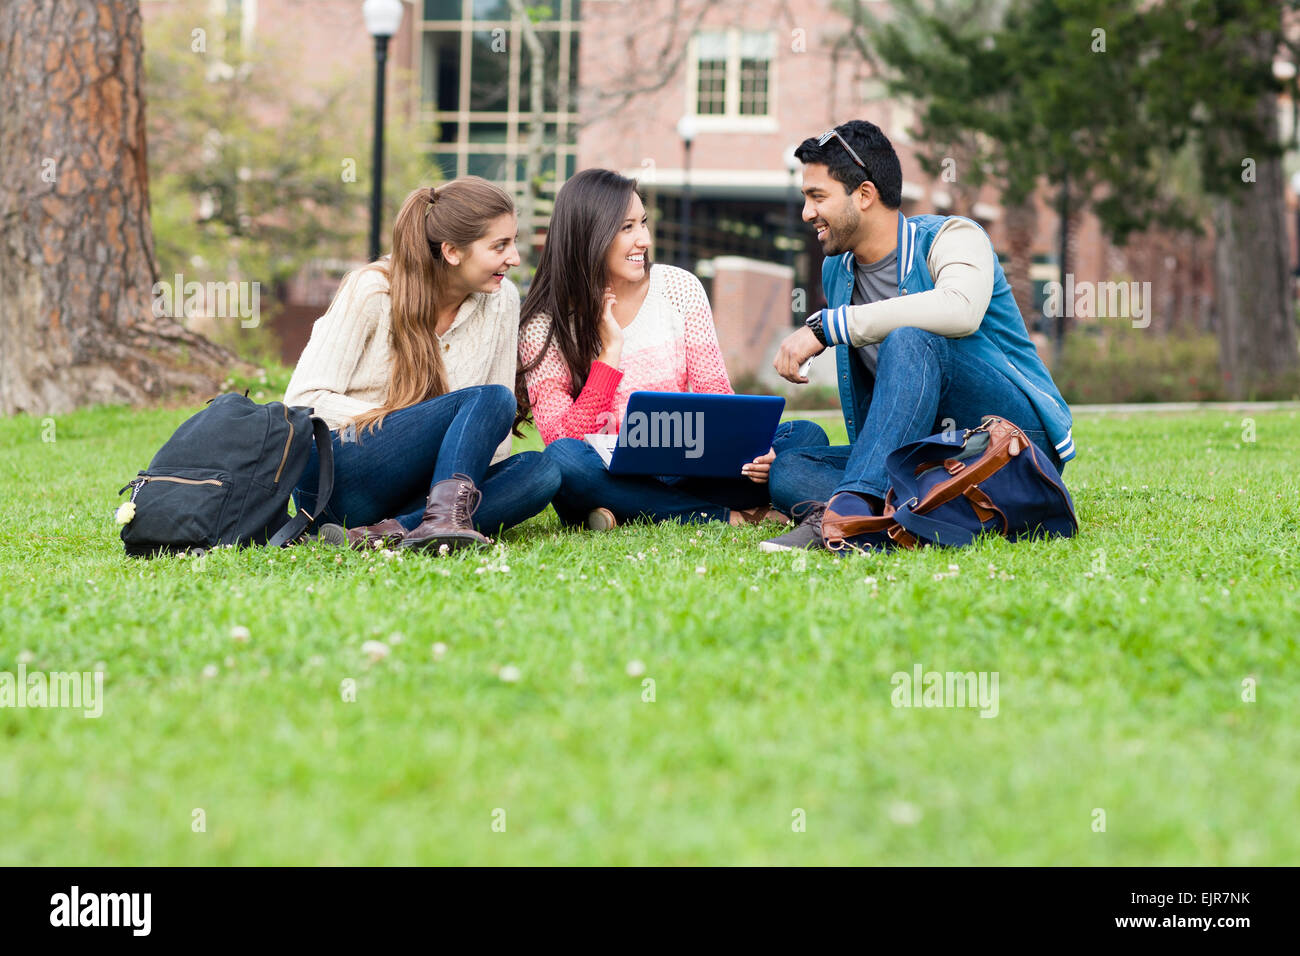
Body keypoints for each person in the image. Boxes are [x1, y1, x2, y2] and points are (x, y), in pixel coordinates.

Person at [762, 120, 1075, 553]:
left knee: (911, 338)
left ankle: (852, 510)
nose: (806, 212)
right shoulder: (837, 270)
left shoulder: (953, 237)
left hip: (1010, 441)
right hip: (923, 456)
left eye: (817, 197)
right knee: (791, 471)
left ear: (865, 195)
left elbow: (959, 309)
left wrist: (831, 325)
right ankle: (930, 512)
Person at [516, 168, 827, 530]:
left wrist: (752, 449)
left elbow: (716, 394)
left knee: (805, 438)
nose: (644, 239)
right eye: (626, 228)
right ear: (588, 235)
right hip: (607, 472)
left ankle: (631, 512)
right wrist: (609, 353)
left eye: (643, 223)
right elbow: (561, 439)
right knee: (563, 462)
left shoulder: (678, 288)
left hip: (690, 467)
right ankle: (720, 517)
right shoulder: (542, 325)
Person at [285, 177, 560, 552]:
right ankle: (439, 521)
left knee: (540, 472)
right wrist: (413, 426)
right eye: (499, 246)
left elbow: (493, 445)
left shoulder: (502, 300)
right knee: (493, 399)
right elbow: (302, 402)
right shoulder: (372, 290)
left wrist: (453, 453)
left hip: (420, 491)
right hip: (337, 482)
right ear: (452, 252)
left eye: (513, 242)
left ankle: (394, 532)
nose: (513, 258)